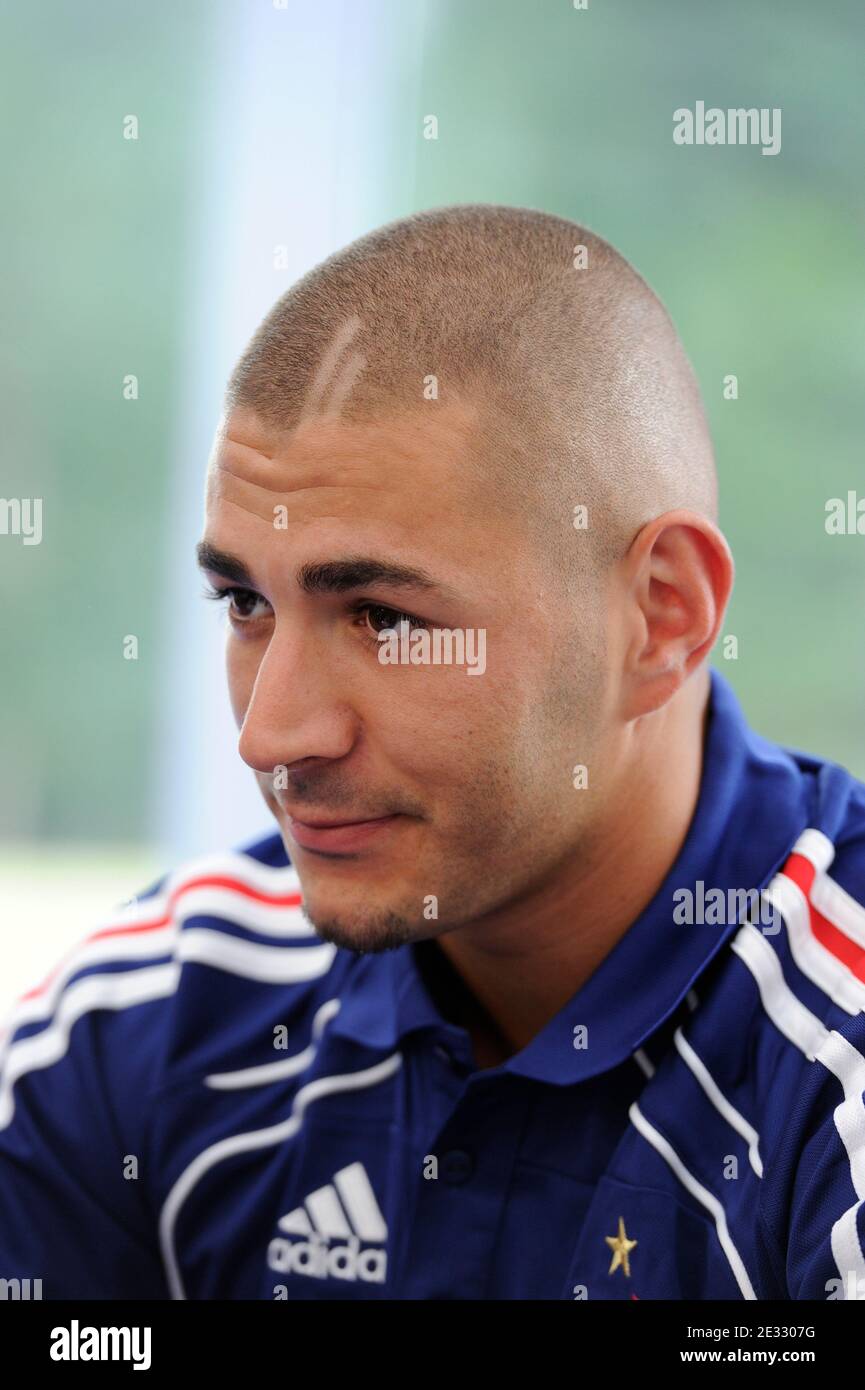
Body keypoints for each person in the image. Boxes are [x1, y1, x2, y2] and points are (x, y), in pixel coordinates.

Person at [2, 204, 864, 1301]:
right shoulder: (140, 1028)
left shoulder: (835, 1062)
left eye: (382, 617)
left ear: (659, 615)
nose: (270, 736)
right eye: (243, 603)